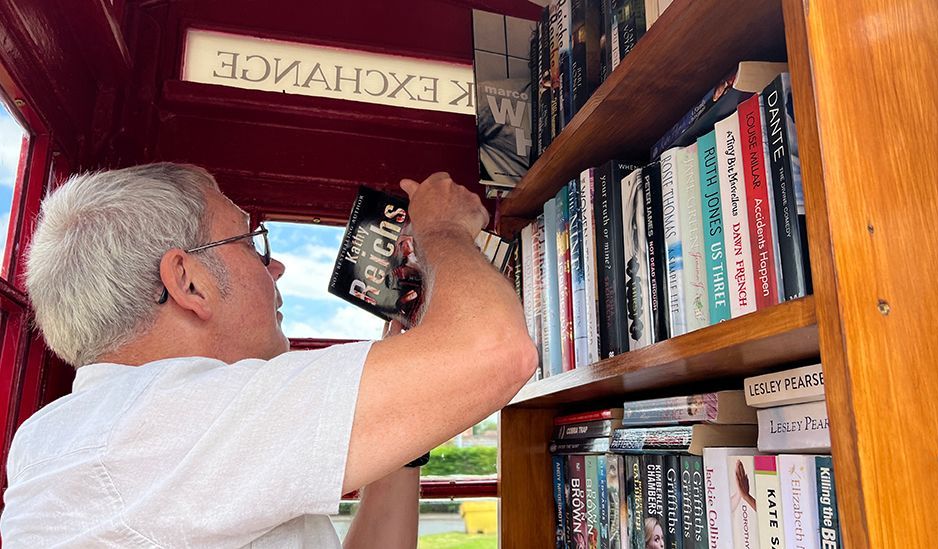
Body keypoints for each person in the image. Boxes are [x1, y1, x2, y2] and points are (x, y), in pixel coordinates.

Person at [0, 163, 537, 547]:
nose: (275, 269)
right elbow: (496, 348)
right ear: (188, 282)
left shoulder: (77, 432)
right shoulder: (168, 421)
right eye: (251, 243)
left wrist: (408, 412)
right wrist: (441, 229)